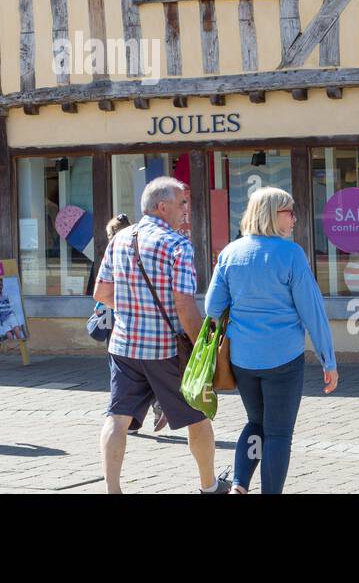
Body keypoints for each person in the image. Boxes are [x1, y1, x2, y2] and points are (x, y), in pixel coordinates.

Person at [93, 177, 230, 494]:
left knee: (117, 417)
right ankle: (209, 486)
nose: (186, 209)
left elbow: (101, 292)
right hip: (166, 349)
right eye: (182, 203)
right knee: (197, 417)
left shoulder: (120, 239)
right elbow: (185, 306)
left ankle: (112, 489)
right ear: (162, 206)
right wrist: (203, 350)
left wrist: (133, 306)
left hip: (124, 345)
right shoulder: (178, 245)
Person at [205, 187, 339, 494]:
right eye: (289, 212)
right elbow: (312, 312)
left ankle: (239, 484)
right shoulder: (291, 254)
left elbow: (212, 308)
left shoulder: (230, 253)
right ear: (272, 214)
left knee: (256, 422)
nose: (294, 218)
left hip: (242, 358)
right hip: (283, 358)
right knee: (278, 433)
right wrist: (328, 360)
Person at [96, 213, 167, 435]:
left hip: (123, 330)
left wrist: (123, 306)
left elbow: (99, 292)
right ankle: (151, 408)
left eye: (110, 234)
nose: (109, 238)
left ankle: (133, 418)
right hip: (149, 330)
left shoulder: (115, 251)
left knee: (125, 382)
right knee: (150, 375)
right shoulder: (148, 248)